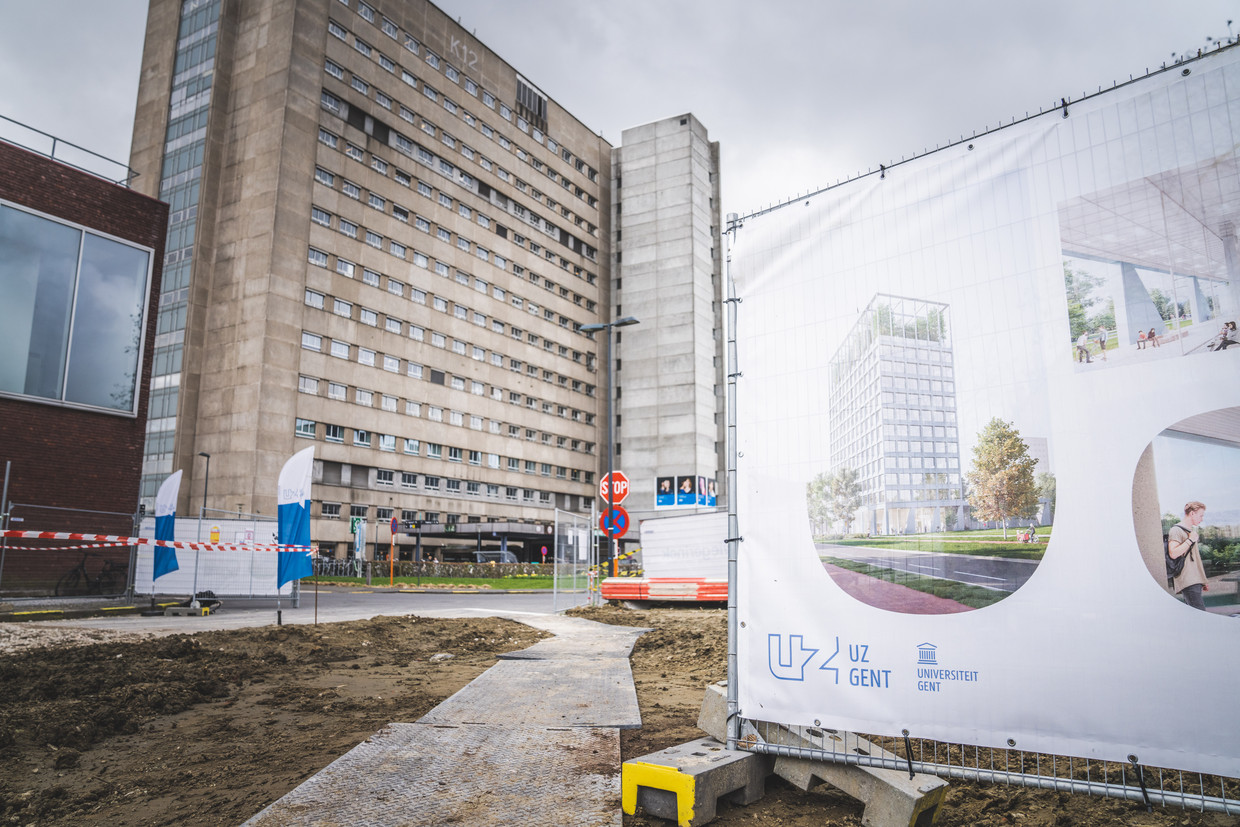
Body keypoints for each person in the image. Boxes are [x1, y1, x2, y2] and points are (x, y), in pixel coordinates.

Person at [1168, 501, 1209, 611]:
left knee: (1197, 616)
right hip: (1188, 581)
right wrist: (1190, 540)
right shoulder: (1176, 530)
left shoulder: (1190, 531)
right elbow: (1173, 553)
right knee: (1200, 617)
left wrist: (1202, 580)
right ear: (1192, 514)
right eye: (1200, 515)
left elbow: (1195, 560)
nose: (1202, 519)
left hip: (1194, 581)